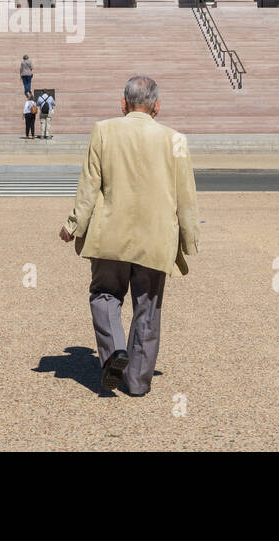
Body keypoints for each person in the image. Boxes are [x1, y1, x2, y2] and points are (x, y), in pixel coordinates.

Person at [58, 75, 200, 397]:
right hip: (156, 236)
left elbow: (89, 185)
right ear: (157, 107)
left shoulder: (104, 130)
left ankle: (113, 352)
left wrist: (74, 224)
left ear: (123, 104)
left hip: (110, 233)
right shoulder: (174, 139)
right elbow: (185, 195)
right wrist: (189, 238)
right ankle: (137, 382)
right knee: (147, 306)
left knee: (105, 295)